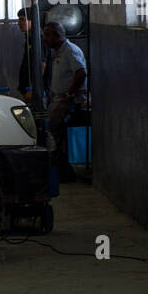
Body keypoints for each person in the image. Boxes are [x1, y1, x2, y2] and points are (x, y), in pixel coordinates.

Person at [42, 21, 88, 182]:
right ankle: (59, 168)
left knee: (50, 129)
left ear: (57, 35)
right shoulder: (58, 53)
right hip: (57, 97)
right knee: (50, 130)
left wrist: (69, 94)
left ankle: (61, 169)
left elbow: (81, 73)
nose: (44, 39)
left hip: (69, 100)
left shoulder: (70, 51)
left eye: (47, 35)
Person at [16, 7, 35, 104]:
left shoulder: (38, 40)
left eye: (23, 19)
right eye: (18, 19)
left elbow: (42, 65)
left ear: (32, 21)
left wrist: (35, 89)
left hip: (33, 91)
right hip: (26, 88)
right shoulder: (28, 39)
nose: (19, 23)